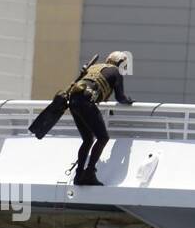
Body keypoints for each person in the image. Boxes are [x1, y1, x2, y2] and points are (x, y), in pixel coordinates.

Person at [32, 51, 134, 185]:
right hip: (86, 102)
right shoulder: (115, 72)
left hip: (73, 102)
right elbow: (120, 97)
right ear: (120, 63)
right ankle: (90, 172)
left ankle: (79, 175)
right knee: (103, 138)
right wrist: (129, 101)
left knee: (87, 140)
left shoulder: (94, 68)